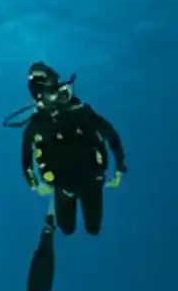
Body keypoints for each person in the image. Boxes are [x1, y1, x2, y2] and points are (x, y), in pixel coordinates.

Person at [18, 62, 127, 236]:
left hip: (81, 182)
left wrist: (35, 185)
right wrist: (120, 168)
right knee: (74, 228)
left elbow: (26, 156)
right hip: (74, 183)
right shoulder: (42, 122)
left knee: (88, 228)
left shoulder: (79, 112)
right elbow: (110, 135)